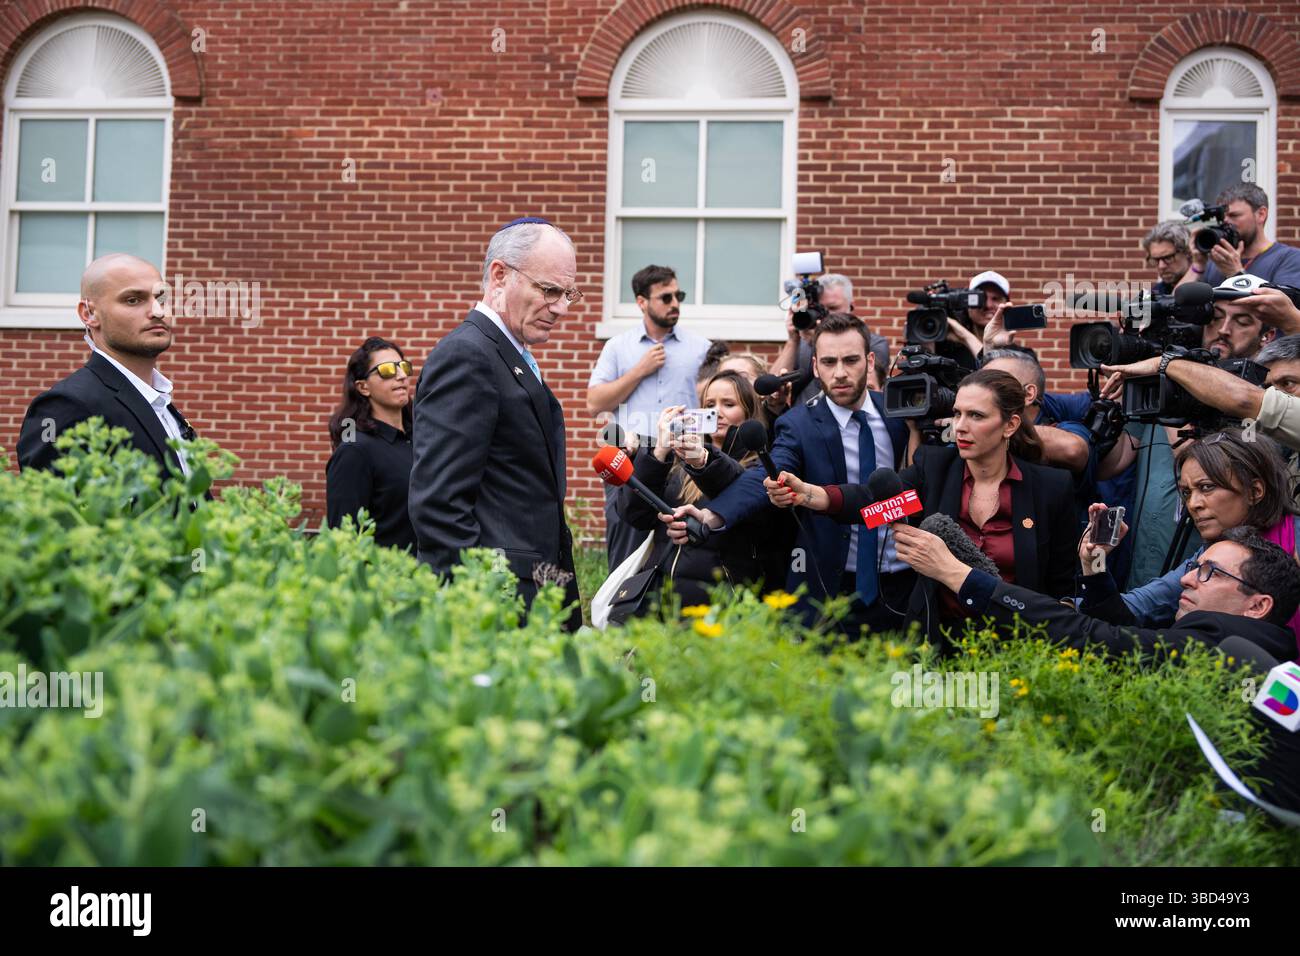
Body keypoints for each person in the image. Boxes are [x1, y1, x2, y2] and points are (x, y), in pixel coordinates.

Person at [896, 524, 1300, 808]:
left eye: (1209, 573)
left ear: (1258, 604)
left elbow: (1096, 641)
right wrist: (1096, 569)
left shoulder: (1225, 648)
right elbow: (1137, 650)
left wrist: (956, 574)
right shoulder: (1249, 648)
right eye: (1194, 567)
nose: (1186, 580)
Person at [765, 368, 1077, 646]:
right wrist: (809, 494)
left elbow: (1061, 586)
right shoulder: (936, 470)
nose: (960, 427)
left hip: (1019, 644)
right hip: (940, 643)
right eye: (957, 414)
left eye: (976, 416)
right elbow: (878, 507)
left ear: (1009, 425)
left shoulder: (1051, 488)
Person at [664, 313, 910, 635]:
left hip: (903, 577)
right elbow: (765, 476)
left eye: (850, 360)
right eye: (829, 361)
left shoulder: (900, 415)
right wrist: (711, 515)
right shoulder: (798, 424)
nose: (839, 373)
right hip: (834, 583)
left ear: (870, 359)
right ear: (815, 366)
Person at [408, 217, 582, 629]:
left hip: (537, 594)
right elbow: (439, 504)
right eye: (549, 290)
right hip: (498, 606)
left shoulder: (509, 353)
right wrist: (479, 608)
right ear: (500, 275)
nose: (561, 307)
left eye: (568, 293)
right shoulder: (468, 356)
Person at [1077, 429, 1300, 645]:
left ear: (1255, 491)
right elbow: (1133, 610)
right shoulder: (1208, 556)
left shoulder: (1295, 536)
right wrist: (1093, 565)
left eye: (1207, 487)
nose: (1193, 504)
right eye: (1186, 492)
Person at [18, 253, 197, 478]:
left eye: (161, 299)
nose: (158, 311)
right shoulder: (63, 406)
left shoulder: (161, 403)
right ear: (89, 313)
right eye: (133, 300)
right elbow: (54, 506)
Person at [620, 371, 785, 609]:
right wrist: (658, 453)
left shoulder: (761, 465)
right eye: (709, 405)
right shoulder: (679, 463)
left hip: (724, 600)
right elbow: (635, 514)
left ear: (749, 412)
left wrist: (703, 462)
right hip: (665, 599)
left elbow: (750, 511)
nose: (717, 412)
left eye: (729, 404)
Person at [587, 264, 712, 571]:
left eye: (678, 295)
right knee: (625, 543)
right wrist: (639, 370)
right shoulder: (618, 347)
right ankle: (618, 615)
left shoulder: (700, 348)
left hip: (683, 456)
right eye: (665, 297)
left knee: (679, 543)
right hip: (631, 455)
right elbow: (595, 403)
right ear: (641, 302)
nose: (675, 304)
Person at [325, 337, 416, 552]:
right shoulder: (355, 451)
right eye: (386, 370)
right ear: (363, 387)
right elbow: (343, 541)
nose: (401, 376)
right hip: (385, 580)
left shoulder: (422, 441)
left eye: (403, 367)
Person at [769, 273, 890, 408]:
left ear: (851, 306)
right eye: (820, 309)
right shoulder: (801, 342)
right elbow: (771, 389)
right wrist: (793, 340)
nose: (826, 315)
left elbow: (851, 386)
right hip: (803, 424)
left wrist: (817, 343)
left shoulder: (874, 343)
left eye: (833, 308)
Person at [1179, 184, 1300, 290]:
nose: (1225, 221)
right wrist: (1198, 265)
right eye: (1222, 217)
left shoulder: (1288, 259)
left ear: (1261, 214)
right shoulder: (1215, 261)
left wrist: (1235, 273)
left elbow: (1280, 311)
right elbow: (1178, 307)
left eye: (1234, 215)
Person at [937, 270, 1011, 371]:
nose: (988, 305)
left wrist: (965, 337)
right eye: (980, 298)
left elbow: (999, 375)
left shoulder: (1022, 355)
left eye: (995, 299)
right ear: (967, 305)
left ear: (1007, 305)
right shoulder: (947, 352)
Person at [1141, 220, 1193, 295]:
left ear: (1187, 253)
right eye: (1155, 260)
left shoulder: (1212, 286)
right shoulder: (1155, 293)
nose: (1161, 266)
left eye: (1168, 258)